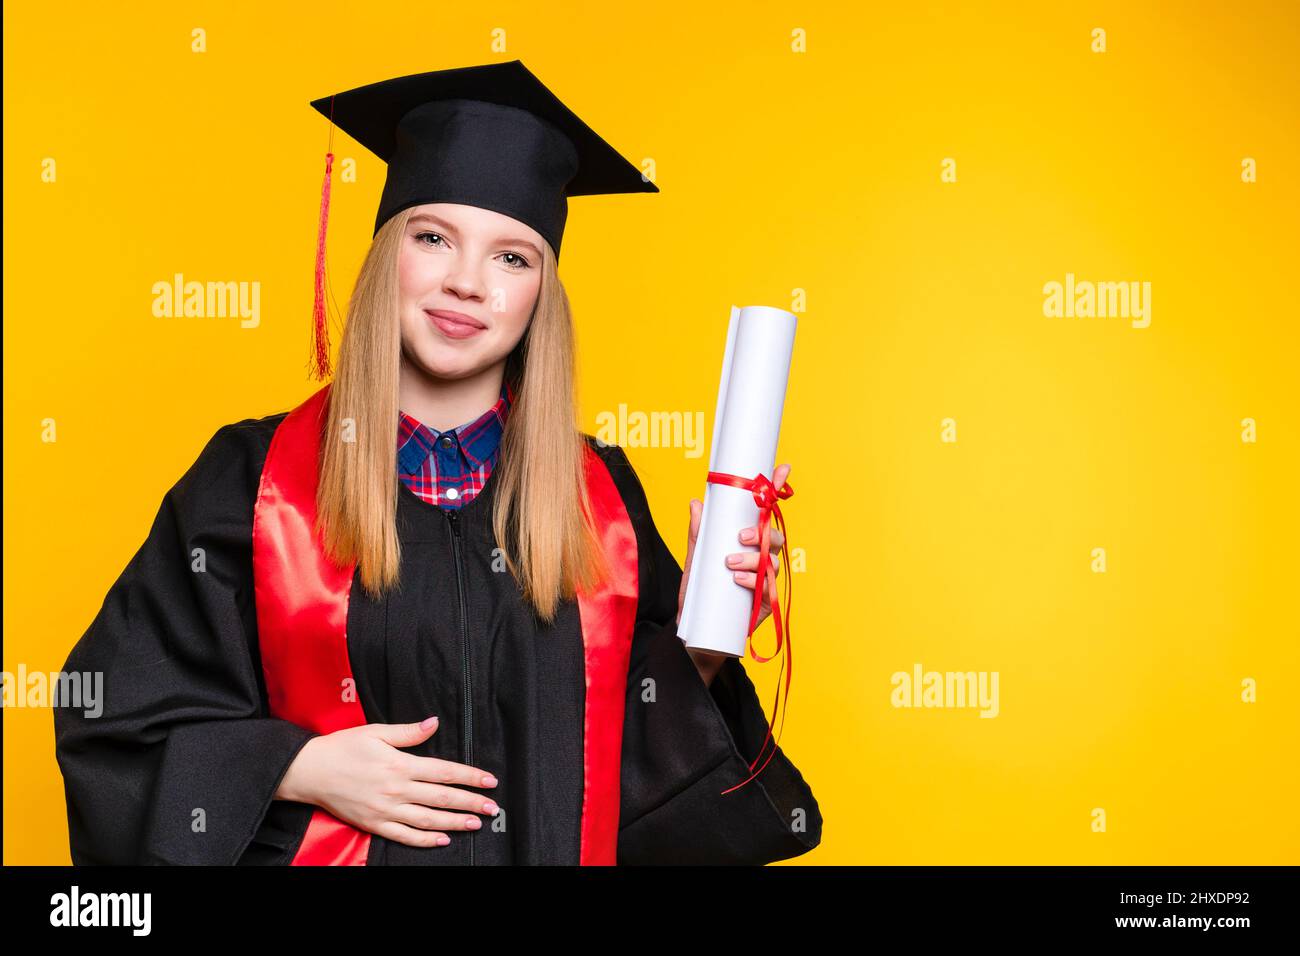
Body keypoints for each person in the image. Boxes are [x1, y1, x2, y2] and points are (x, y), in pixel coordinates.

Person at [53, 60, 822, 866]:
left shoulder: (602, 502)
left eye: (512, 258)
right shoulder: (250, 485)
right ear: (388, 253)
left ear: (541, 296)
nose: (466, 283)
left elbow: (626, 776)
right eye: (433, 238)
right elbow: (118, 728)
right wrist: (296, 766)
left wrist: (707, 637)